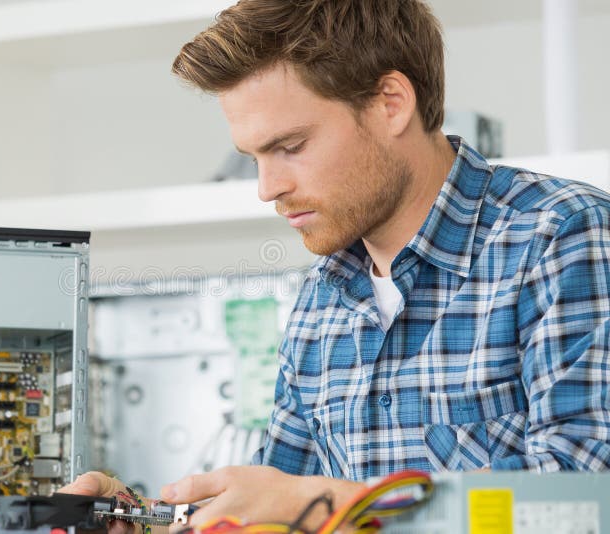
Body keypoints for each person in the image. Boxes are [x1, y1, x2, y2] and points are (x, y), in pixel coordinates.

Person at [61, 0, 610, 530]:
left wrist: (321, 503)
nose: (267, 188)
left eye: (291, 146)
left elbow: (590, 494)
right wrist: (147, 520)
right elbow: (272, 512)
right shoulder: (322, 298)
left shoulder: (561, 238)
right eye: (255, 158)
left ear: (390, 103)